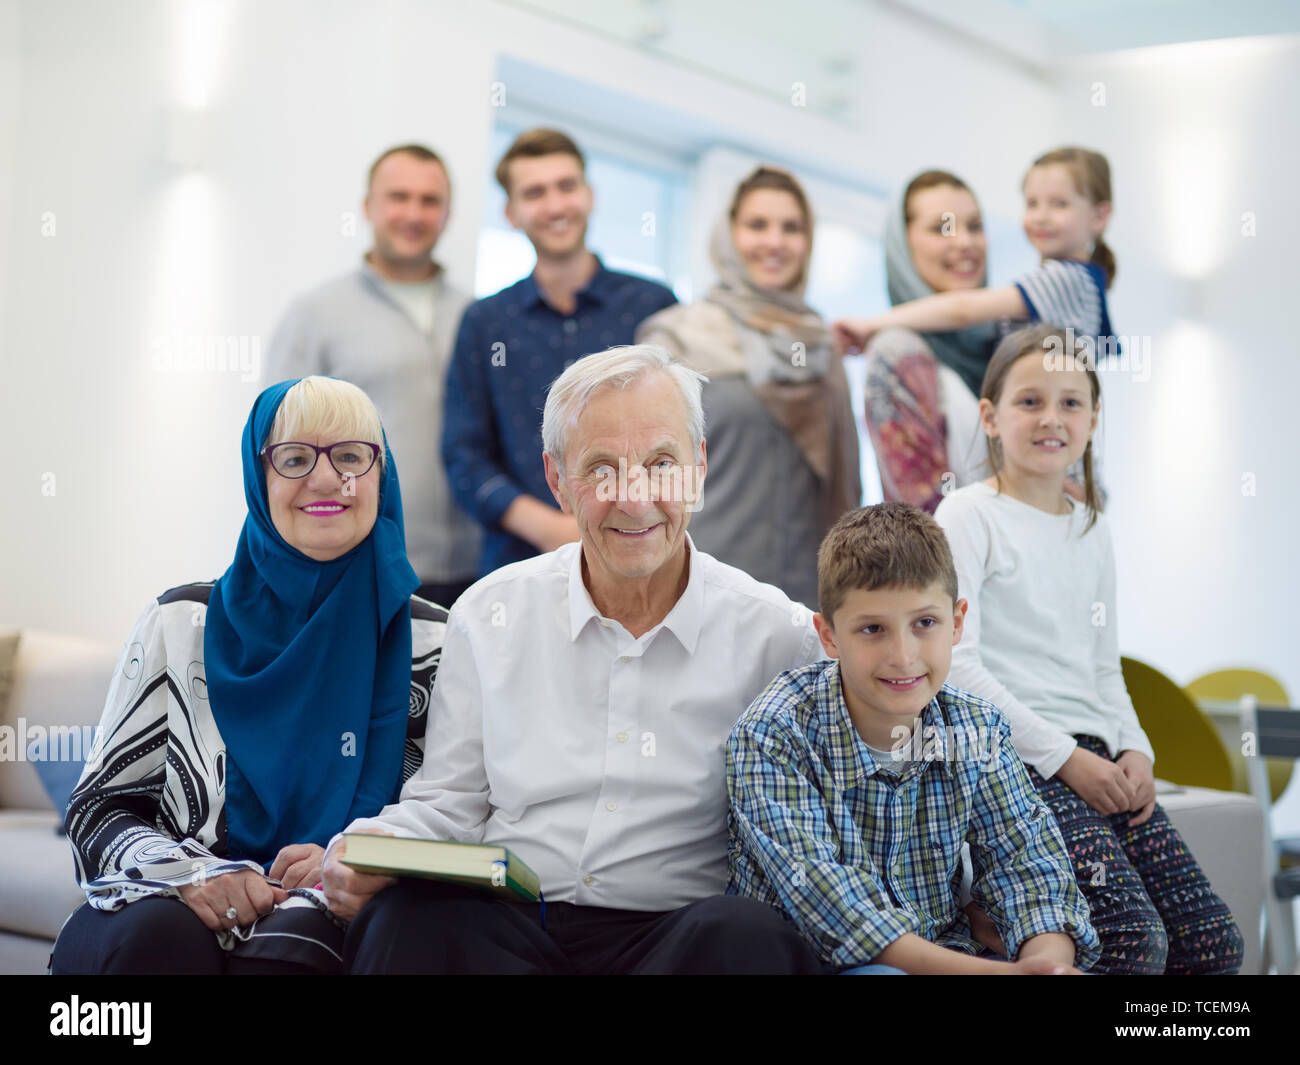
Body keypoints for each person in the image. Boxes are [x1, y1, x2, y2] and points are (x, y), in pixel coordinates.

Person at [324, 345, 826, 975]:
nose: (634, 497)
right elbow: (447, 803)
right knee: (408, 922)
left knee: (746, 935)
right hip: (511, 927)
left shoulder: (779, 634)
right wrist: (371, 850)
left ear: (699, 467)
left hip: (676, 938)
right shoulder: (490, 612)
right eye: (601, 470)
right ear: (557, 480)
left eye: (661, 463)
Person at [52, 377, 448, 975]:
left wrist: (354, 857)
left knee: (294, 948)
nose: (325, 479)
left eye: (350, 456)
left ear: (380, 475)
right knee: (153, 940)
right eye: (293, 458)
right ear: (258, 480)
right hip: (176, 903)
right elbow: (99, 808)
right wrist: (192, 877)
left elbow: (463, 813)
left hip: (345, 914)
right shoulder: (181, 622)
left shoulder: (437, 640)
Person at [934, 325, 1244, 974]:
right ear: (990, 417)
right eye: (1030, 401)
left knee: (1215, 944)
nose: (1052, 417)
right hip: (1019, 767)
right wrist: (1067, 758)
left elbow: (1104, 665)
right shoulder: (966, 516)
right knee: (1133, 942)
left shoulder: (1092, 529)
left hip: (1096, 755)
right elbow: (957, 668)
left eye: (1071, 402)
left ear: (1094, 419)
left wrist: (1137, 749)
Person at [727, 502, 1099, 974]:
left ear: (958, 622)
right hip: (815, 962)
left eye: (925, 623)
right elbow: (840, 914)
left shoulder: (977, 729)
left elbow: (1027, 860)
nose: (903, 656)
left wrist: (1048, 962)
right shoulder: (776, 734)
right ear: (829, 635)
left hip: (949, 956)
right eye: (872, 629)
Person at [441, 128, 677, 577]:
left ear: (589, 195)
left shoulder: (653, 306)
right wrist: (551, 528)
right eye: (535, 192)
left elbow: (682, 432)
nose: (554, 205)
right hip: (520, 569)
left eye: (566, 186)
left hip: (642, 557)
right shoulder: (485, 322)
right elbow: (463, 453)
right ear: (511, 212)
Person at [839, 151, 1120, 511]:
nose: (964, 242)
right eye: (942, 228)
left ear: (1098, 215)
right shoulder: (898, 353)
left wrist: (872, 321)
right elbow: (924, 519)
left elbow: (962, 311)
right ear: (903, 245)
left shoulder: (1017, 321)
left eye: (974, 226)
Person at [636, 166, 860, 609]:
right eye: (757, 225)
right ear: (729, 235)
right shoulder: (678, 337)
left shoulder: (821, 343)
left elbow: (846, 488)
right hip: (700, 596)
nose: (774, 242)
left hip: (807, 601)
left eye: (791, 228)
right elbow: (645, 480)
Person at [266, 143, 479, 607]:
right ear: (368, 207)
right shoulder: (315, 314)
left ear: (448, 213)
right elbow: (278, 447)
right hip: (356, 566)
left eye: (430, 201)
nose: (414, 214)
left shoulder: (479, 315)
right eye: (398, 197)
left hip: (475, 570)